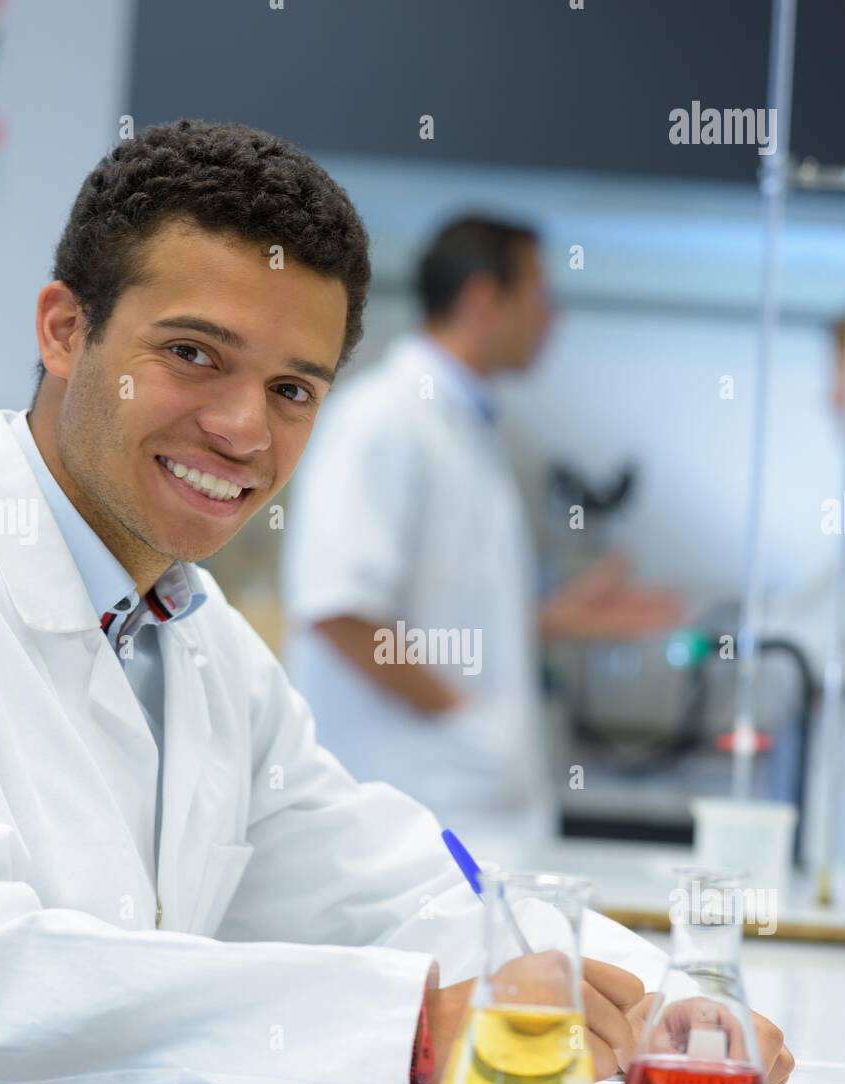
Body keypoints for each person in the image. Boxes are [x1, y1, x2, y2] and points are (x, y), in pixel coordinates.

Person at [0, 120, 793, 1084]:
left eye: (291, 387)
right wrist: (418, 1024)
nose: (243, 431)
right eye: (194, 355)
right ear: (66, 329)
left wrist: (667, 998)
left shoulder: (197, 645)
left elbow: (392, 882)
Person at [282, 216, 683, 844]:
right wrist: (462, 720)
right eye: (541, 297)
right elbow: (339, 611)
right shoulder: (382, 418)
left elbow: (441, 618)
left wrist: (550, 620)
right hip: (410, 810)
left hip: (465, 812)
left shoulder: (467, 429)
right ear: (483, 299)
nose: (553, 321)